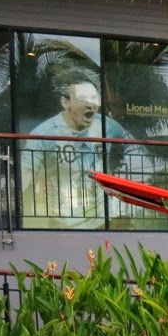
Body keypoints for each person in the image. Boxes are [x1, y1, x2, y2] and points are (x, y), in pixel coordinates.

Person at [22, 71, 132, 228]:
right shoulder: (43, 135)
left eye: (94, 98)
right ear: (65, 102)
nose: (90, 104)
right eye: (82, 98)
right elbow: (24, 177)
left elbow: (134, 146)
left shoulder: (107, 126)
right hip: (67, 223)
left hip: (105, 218)